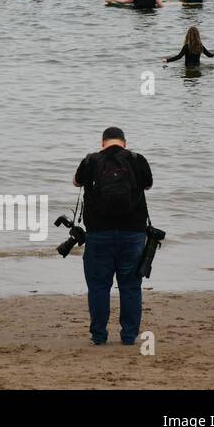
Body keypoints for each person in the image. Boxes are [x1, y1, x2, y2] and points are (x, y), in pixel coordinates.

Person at [73, 127, 153, 346]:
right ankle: (128, 337)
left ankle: (99, 336)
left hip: (98, 233)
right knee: (130, 286)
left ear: (102, 143)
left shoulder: (90, 161)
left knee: (98, 286)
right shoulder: (137, 160)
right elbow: (148, 185)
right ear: (124, 143)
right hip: (133, 233)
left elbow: (76, 182)